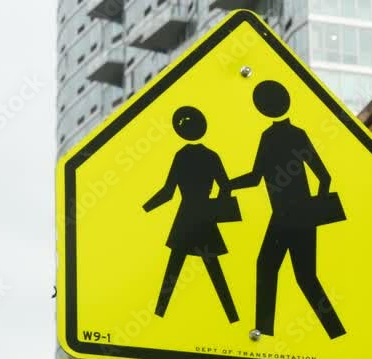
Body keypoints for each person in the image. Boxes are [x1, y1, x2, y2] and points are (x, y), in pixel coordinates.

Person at [226, 80, 346, 339]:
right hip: (290, 217)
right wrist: (229, 184)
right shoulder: (283, 135)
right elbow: (322, 178)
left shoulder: (280, 136)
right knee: (293, 274)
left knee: (284, 272)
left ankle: (271, 333)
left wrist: (315, 211)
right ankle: (329, 332)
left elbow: (257, 178)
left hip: (291, 217)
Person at [143, 105, 239, 323]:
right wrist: (216, 209)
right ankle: (232, 317)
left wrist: (146, 208)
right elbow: (226, 186)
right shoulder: (211, 156)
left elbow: (168, 192)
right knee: (212, 269)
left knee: (174, 269)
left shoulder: (182, 156)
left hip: (186, 217)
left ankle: (158, 315)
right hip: (204, 216)